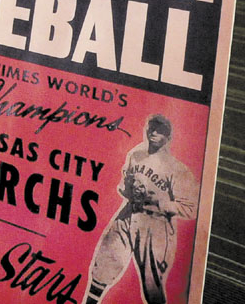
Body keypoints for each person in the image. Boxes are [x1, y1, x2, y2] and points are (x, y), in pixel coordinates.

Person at [82, 114, 199, 304]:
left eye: (160, 131)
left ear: (168, 138)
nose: (154, 133)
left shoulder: (176, 169)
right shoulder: (135, 154)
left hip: (156, 224)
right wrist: (129, 189)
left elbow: (192, 208)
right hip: (129, 214)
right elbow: (123, 185)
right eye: (152, 128)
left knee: (151, 283)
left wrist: (161, 203)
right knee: (105, 261)